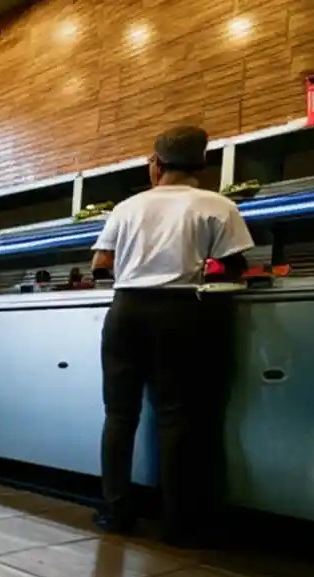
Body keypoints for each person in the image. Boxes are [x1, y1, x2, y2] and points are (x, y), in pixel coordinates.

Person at [90, 125, 253, 544]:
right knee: (176, 417)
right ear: (202, 165)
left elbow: (100, 264)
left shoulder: (127, 207)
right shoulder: (218, 205)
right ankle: (179, 522)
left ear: (156, 165)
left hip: (126, 311)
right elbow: (234, 267)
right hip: (182, 312)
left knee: (119, 414)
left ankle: (115, 511)